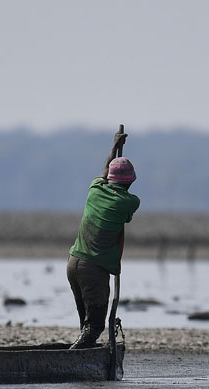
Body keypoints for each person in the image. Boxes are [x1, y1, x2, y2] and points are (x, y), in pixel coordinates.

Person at [66, 127, 140, 349]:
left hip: (73, 263)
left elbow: (104, 169)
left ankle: (82, 353)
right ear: (129, 182)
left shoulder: (95, 188)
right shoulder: (129, 202)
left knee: (85, 324)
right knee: (94, 327)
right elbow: (125, 215)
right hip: (93, 269)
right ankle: (73, 357)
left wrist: (114, 145)